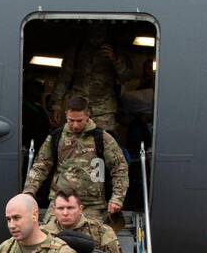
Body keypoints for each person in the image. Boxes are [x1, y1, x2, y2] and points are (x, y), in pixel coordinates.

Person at [23, 95, 128, 224]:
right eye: (71, 120)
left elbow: (119, 168)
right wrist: (29, 192)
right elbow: (40, 166)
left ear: (87, 115)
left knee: (91, 241)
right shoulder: (56, 137)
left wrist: (117, 198)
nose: (75, 125)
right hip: (60, 202)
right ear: (66, 115)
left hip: (91, 205)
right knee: (51, 241)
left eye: (79, 120)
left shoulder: (102, 138)